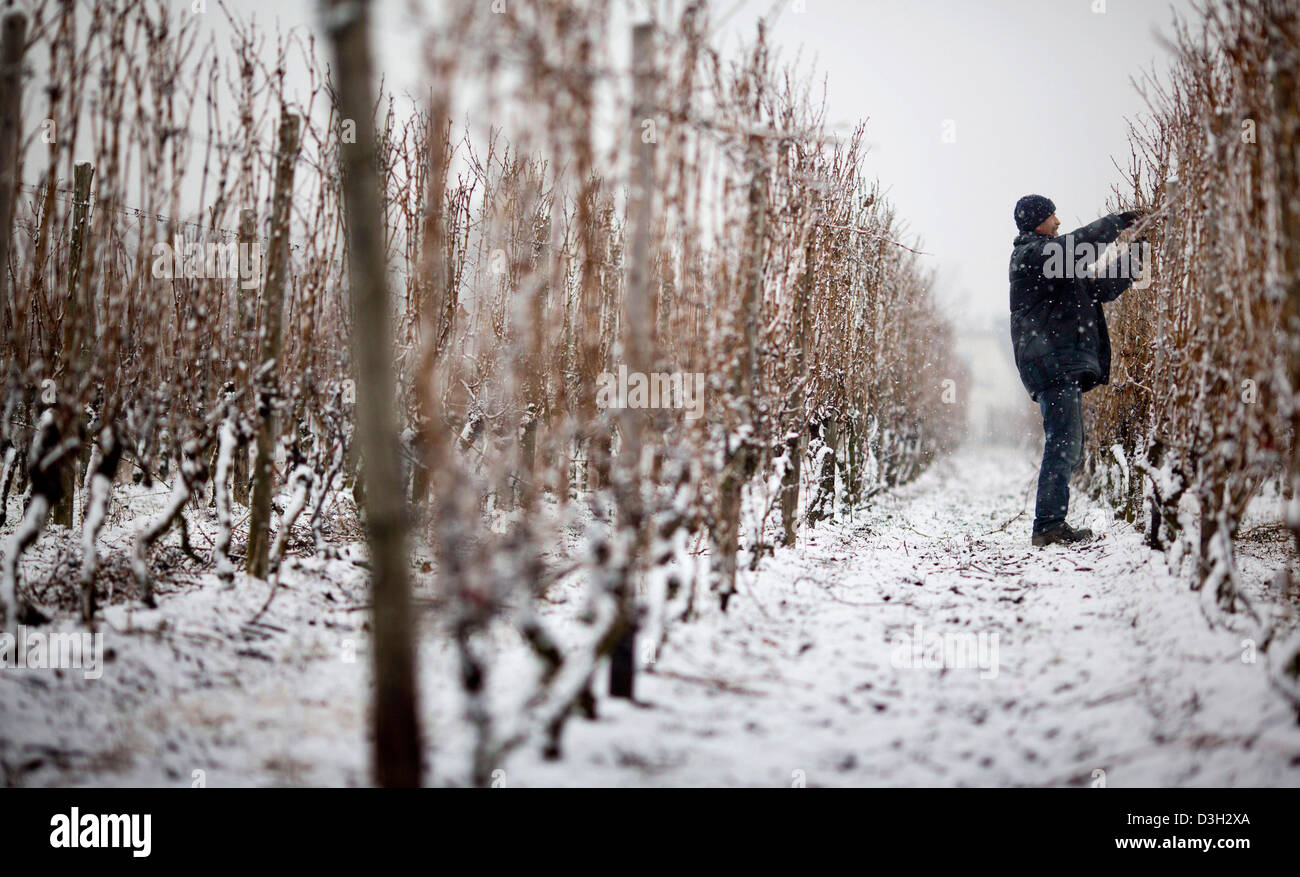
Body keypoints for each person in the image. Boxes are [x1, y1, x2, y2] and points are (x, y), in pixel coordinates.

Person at [1008, 194, 1144, 547]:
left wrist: (1138, 252)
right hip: (1051, 361)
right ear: (1036, 221)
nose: (1057, 220)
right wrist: (1115, 223)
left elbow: (1098, 287)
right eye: (1052, 215)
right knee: (1064, 443)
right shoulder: (1032, 256)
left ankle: (1050, 523)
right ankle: (1049, 526)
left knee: (1067, 443)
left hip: (1055, 362)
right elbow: (1076, 246)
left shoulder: (1053, 262)